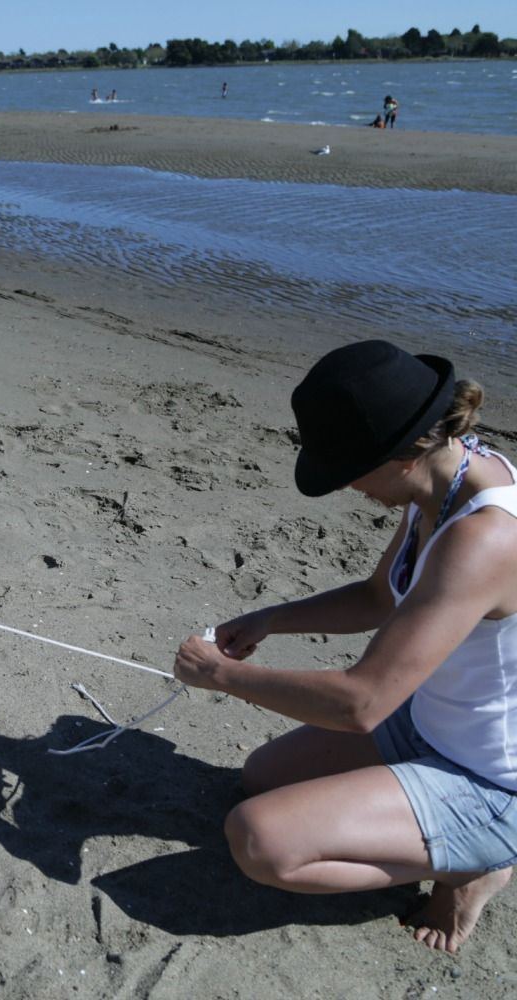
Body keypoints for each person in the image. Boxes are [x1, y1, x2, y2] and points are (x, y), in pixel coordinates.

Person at [174, 340, 517, 954]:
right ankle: (429, 826)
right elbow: (379, 597)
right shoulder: (447, 476)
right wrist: (268, 620)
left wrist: (220, 676)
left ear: (403, 455)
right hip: (433, 722)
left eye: (347, 469)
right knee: (261, 777)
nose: (344, 486)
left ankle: (472, 867)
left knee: (260, 841)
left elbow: (360, 705)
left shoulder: (486, 537)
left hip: (492, 782)